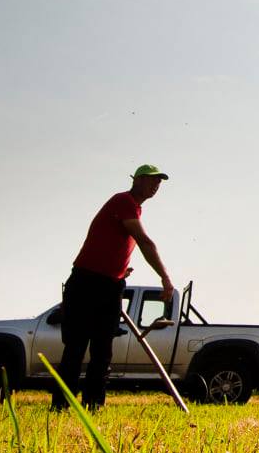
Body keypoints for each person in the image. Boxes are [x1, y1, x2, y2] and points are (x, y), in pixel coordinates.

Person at [53, 165, 175, 412]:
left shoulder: (135, 208)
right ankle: (60, 405)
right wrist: (165, 277)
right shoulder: (123, 201)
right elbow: (144, 241)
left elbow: (114, 244)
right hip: (86, 282)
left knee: (102, 349)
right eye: (152, 181)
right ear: (138, 180)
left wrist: (120, 269)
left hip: (110, 284)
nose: (156, 186)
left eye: (159, 183)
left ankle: (93, 405)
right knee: (76, 346)